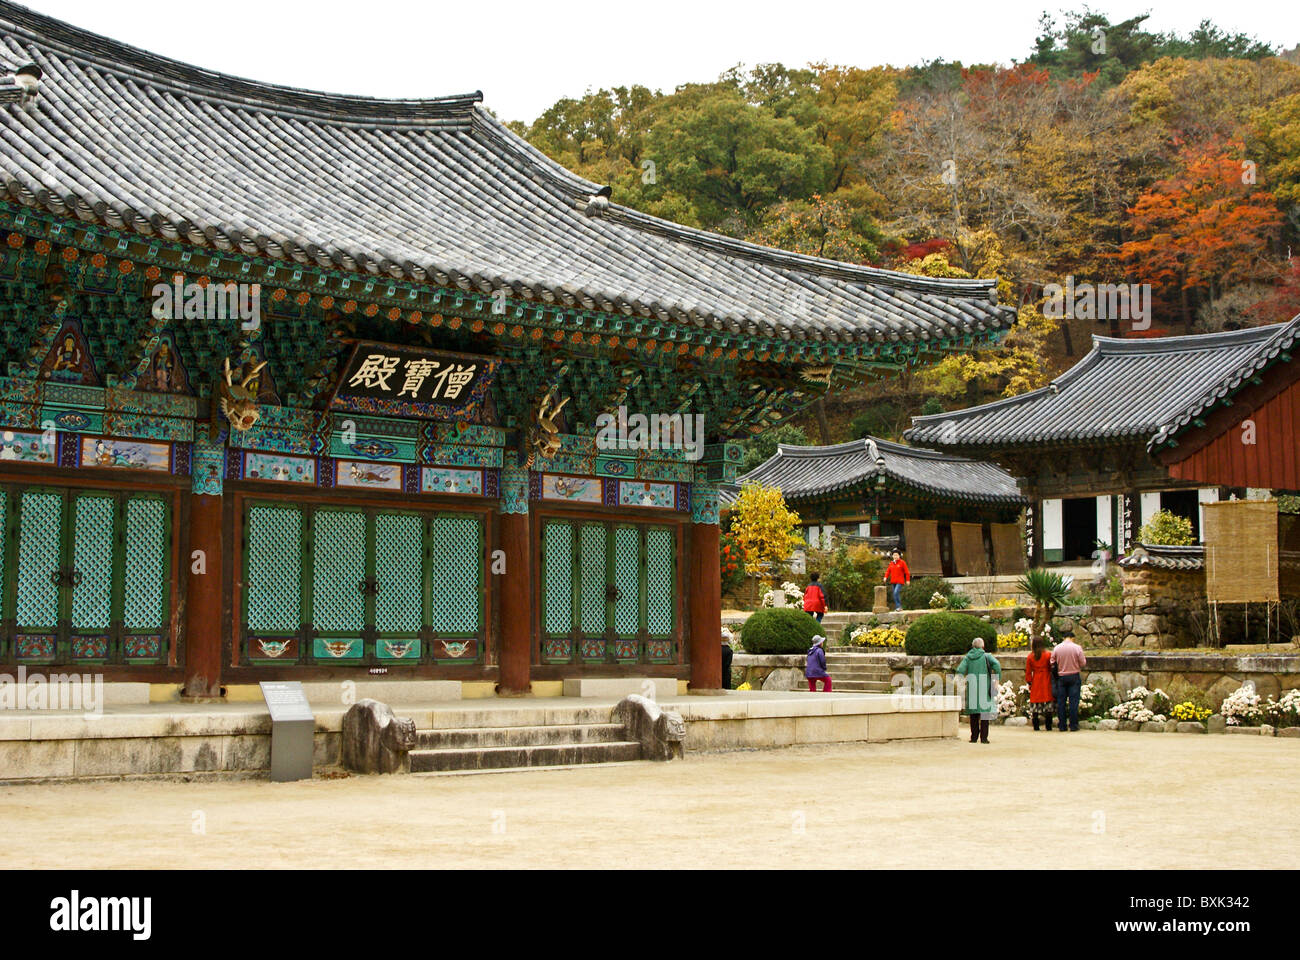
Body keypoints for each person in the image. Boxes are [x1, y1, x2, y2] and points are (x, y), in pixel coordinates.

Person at [955, 636, 1000, 743]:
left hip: (972, 687)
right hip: (985, 686)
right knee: (984, 713)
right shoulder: (987, 656)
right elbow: (997, 665)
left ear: (972, 646)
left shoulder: (968, 657)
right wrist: (996, 680)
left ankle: (974, 737)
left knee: (973, 714)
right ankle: (984, 738)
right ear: (983, 646)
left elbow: (960, 670)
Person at [1050, 632, 1087, 731]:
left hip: (1061, 677)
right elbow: (1083, 663)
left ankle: (1062, 725)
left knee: (1061, 702)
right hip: (1074, 675)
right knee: (1073, 702)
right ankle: (1073, 725)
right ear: (1072, 638)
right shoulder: (1077, 648)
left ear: (1064, 638)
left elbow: (1052, 661)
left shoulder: (1057, 648)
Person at [1024, 636, 1056, 731]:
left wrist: (1029, 682)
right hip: (1046, 679)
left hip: (1036, 680)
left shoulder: (1031, 656)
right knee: (1048, 701)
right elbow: (1051, 667)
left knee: (1036, 702)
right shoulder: (1047, 655)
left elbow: (1028, 672)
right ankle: (1048, 726)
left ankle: (1036, 726)